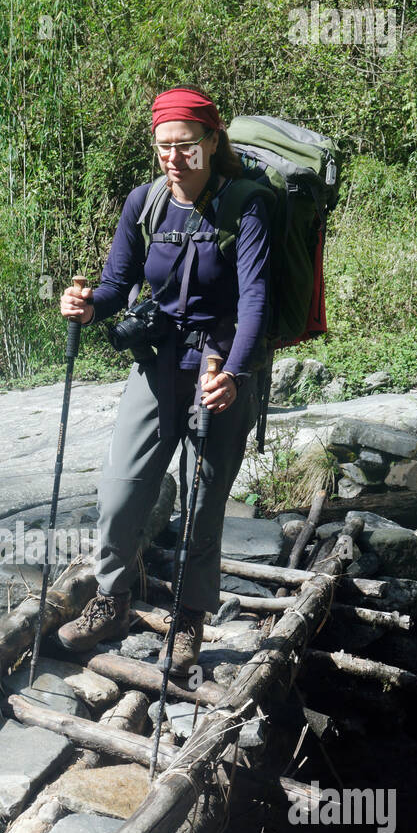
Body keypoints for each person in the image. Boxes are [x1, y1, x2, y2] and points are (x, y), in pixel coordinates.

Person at [56, 86, 272, 674]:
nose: (173, 159)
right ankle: (113, 601)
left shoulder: (247, 206)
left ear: (212, 141)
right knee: (122, 490)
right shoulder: (144, 203)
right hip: (157, 366)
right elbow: (115, 282)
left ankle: (189, 621)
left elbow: (256, 303)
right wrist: (88, 305)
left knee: (203, 506)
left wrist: (234, 372)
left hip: (217, 371)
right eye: (162, 148)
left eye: (185, 146)